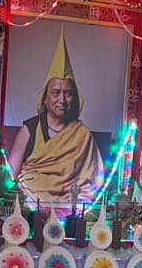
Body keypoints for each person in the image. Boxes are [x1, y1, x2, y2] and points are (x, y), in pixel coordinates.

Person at [7, 30, 104, 203]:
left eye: (68, 93)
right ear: (45, 98)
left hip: (71, 207)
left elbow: (94, 183)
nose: (62, 100)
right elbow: (10, 175)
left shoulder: (82, 134)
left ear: (75, 98)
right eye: (56, 92)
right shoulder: (29, 130)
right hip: (31, 204)